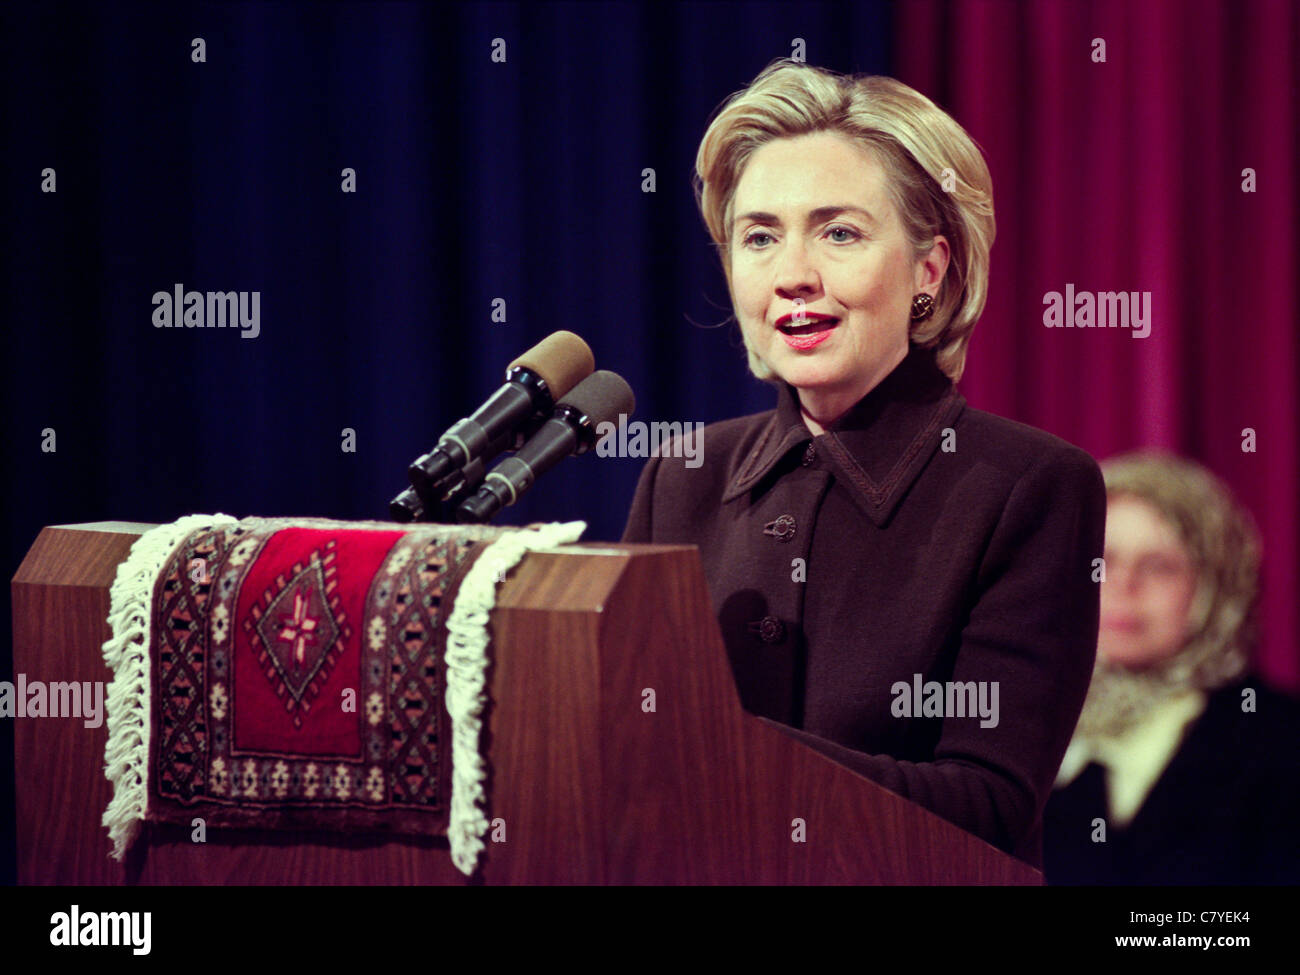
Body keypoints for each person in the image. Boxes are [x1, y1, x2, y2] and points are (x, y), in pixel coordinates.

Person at [621, 58, 1105, 868]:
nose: (793, 275)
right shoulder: (682, 476)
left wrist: (714, 746)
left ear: (929, 271)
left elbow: (985, 806)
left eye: (839, 232)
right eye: (760, 236)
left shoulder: (1029, 486)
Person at [1043, 451, 1300, 884]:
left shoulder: (1281, 743)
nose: (1124, 586)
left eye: (1159, 566)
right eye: (1103, 561)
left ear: (1216, 586)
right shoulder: (1023, 731)